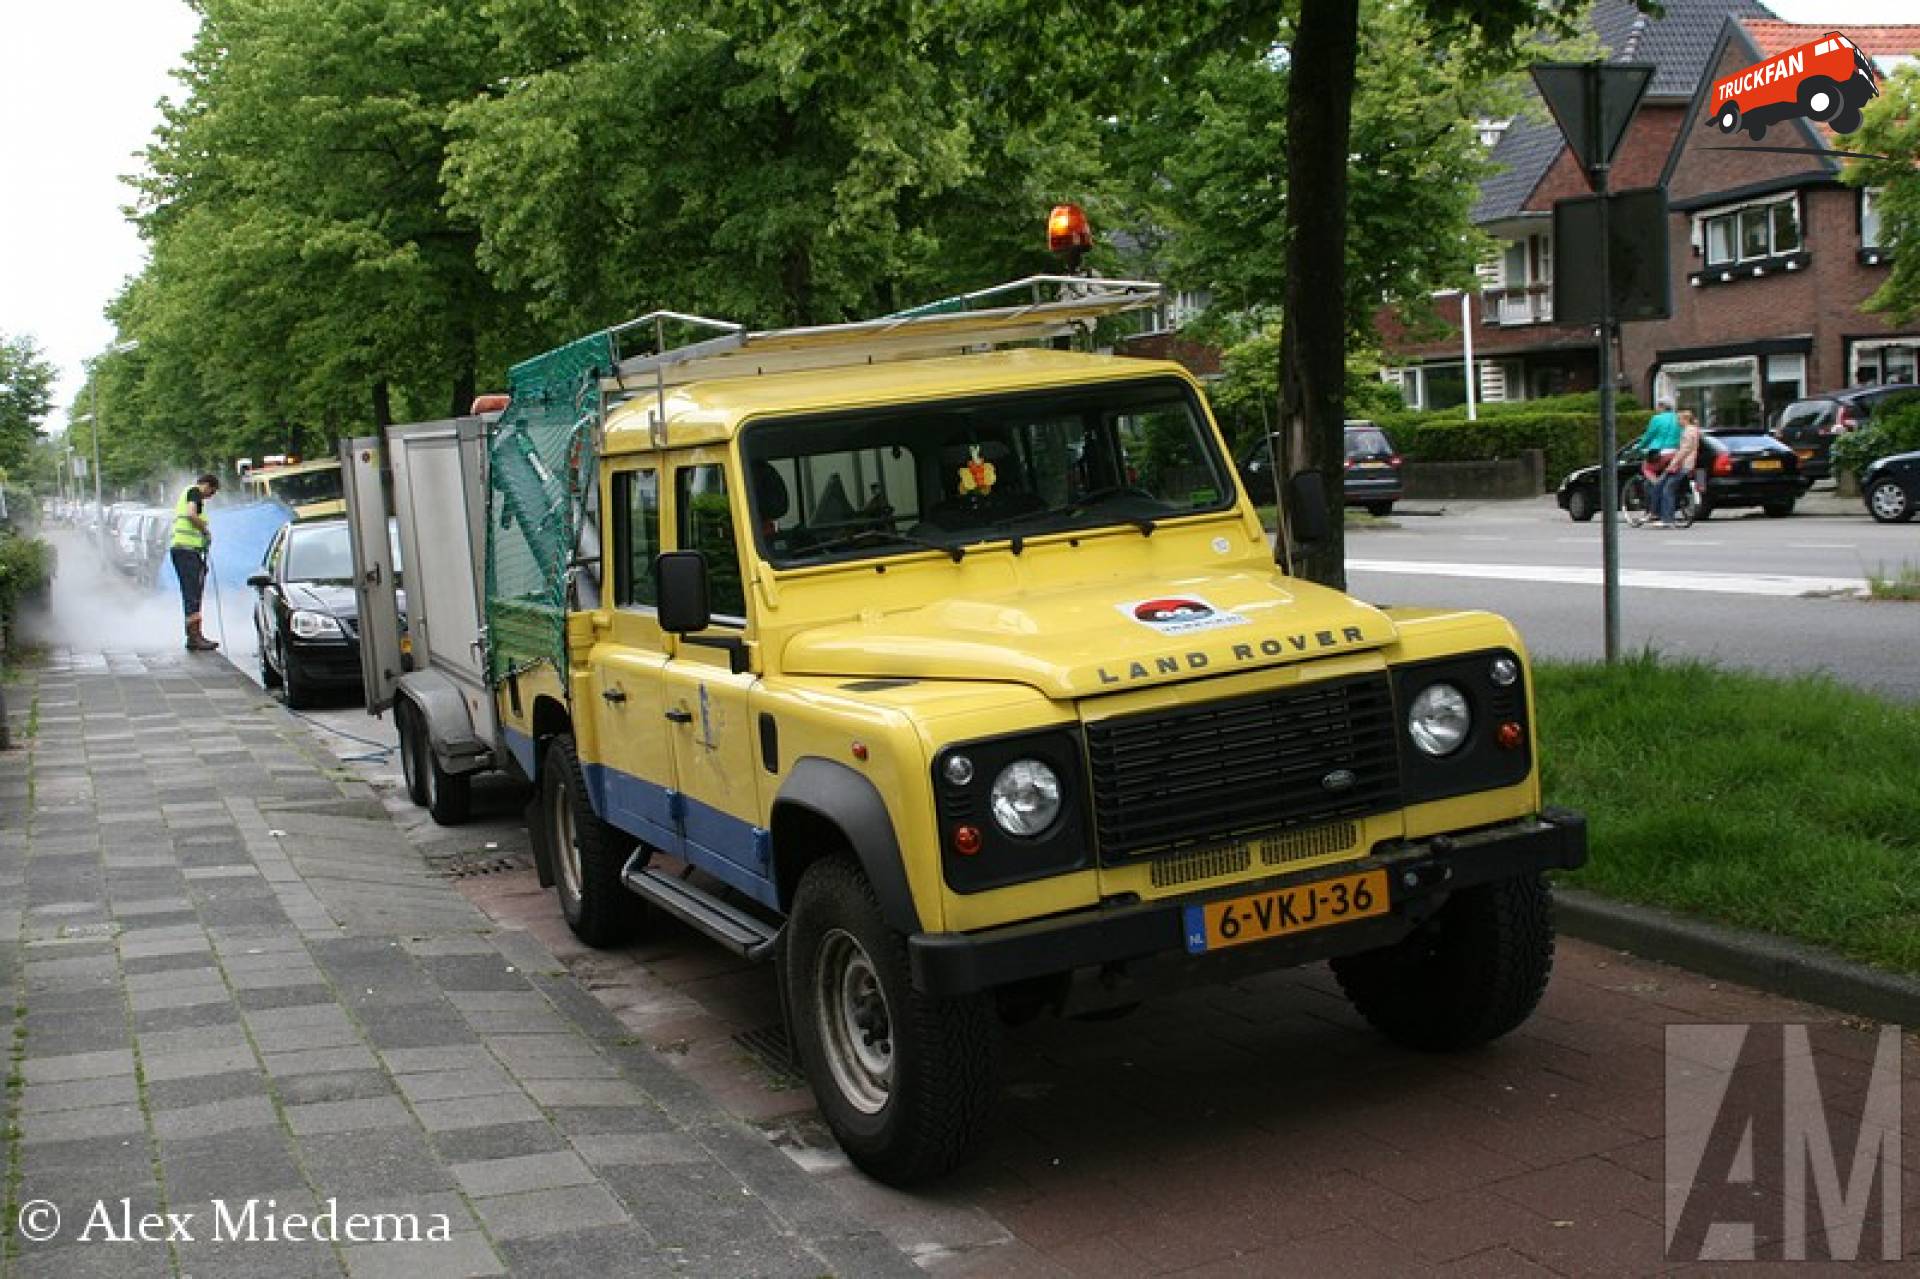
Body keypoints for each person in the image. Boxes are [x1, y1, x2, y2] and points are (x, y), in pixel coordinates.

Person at [170, 472, 222, 651]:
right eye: (212, 492)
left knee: (192, 591)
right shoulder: (194, 493)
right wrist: (205, 530)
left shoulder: (189, 493)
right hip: (186, 551)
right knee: (192, 593)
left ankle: (194, 635)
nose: (210, 496)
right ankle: (194, 637)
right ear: (206, 485)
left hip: (186, 551)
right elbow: (192, 515)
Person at [1631, 398, 1682, 525]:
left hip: (1660, 453)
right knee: (1669, 479)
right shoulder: (1678, 418)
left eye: (1658, 406)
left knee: (1647, 468)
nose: (1657, 408)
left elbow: (1649, 436)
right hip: (1675, 453)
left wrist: (1640, 446)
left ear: (1662, 406)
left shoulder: (1657, 419)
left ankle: (1656, 486)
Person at [1660, 409, 1703, 529]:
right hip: (1690, 464)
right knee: (1677, 488)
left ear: (1685, 420)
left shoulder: (1688, 432)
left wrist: (1673, 463)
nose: (1677, 421)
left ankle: (1668, 519)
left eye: (1679, 419)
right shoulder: (1694, 430)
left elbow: (1685, 449)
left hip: (1685, 464)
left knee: (1667, 489)